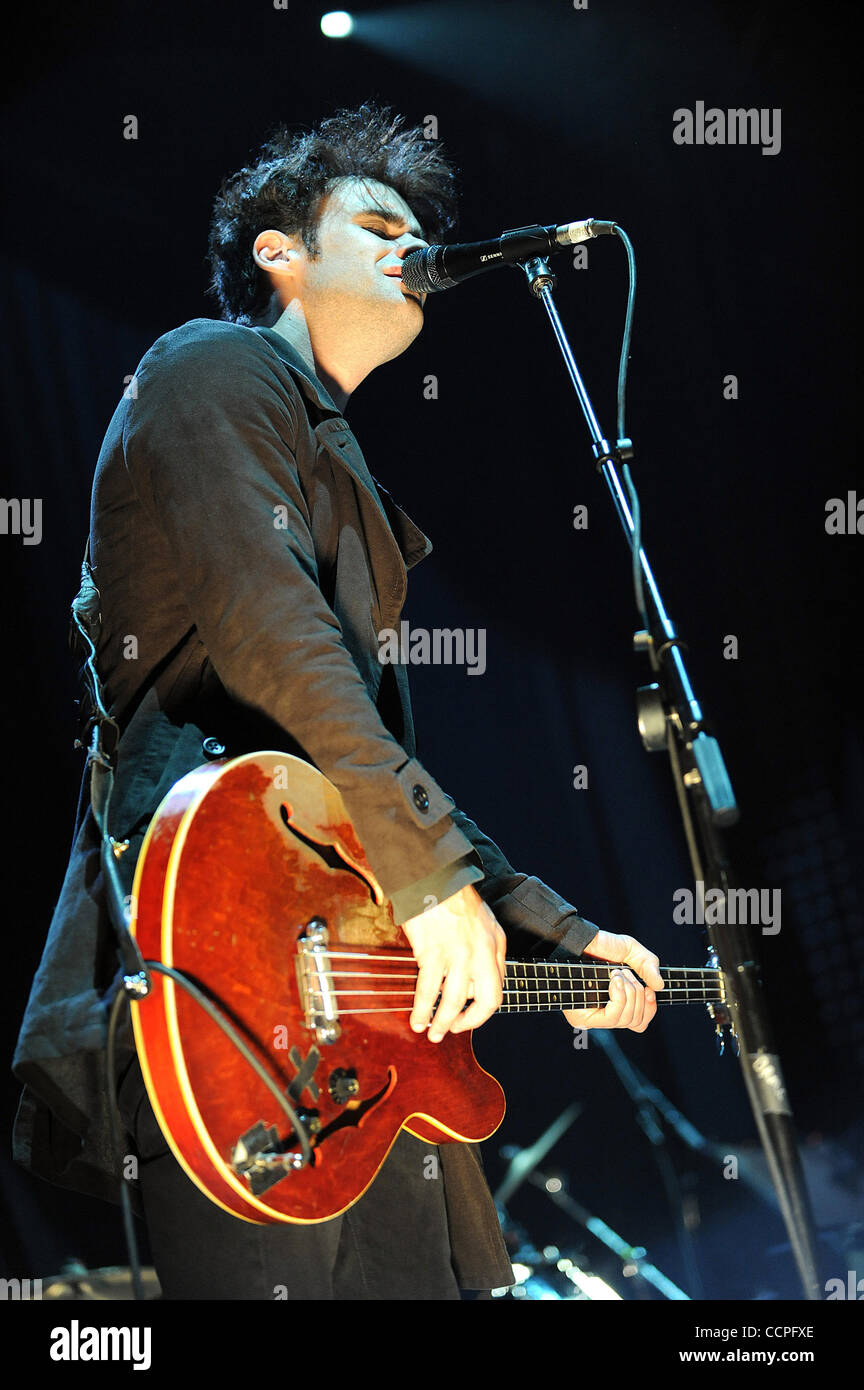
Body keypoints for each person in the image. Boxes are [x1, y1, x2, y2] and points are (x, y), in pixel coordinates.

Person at [12, 103, 664, 1300]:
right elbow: (278, 638)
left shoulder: (337, 460)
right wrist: (431, 880)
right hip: (229, 978)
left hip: (356, 1027)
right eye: (375, 224)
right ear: (280, 254)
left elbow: (353, 758)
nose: (410, 248)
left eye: (419, 231)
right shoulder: (211, 364)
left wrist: (560, 935)